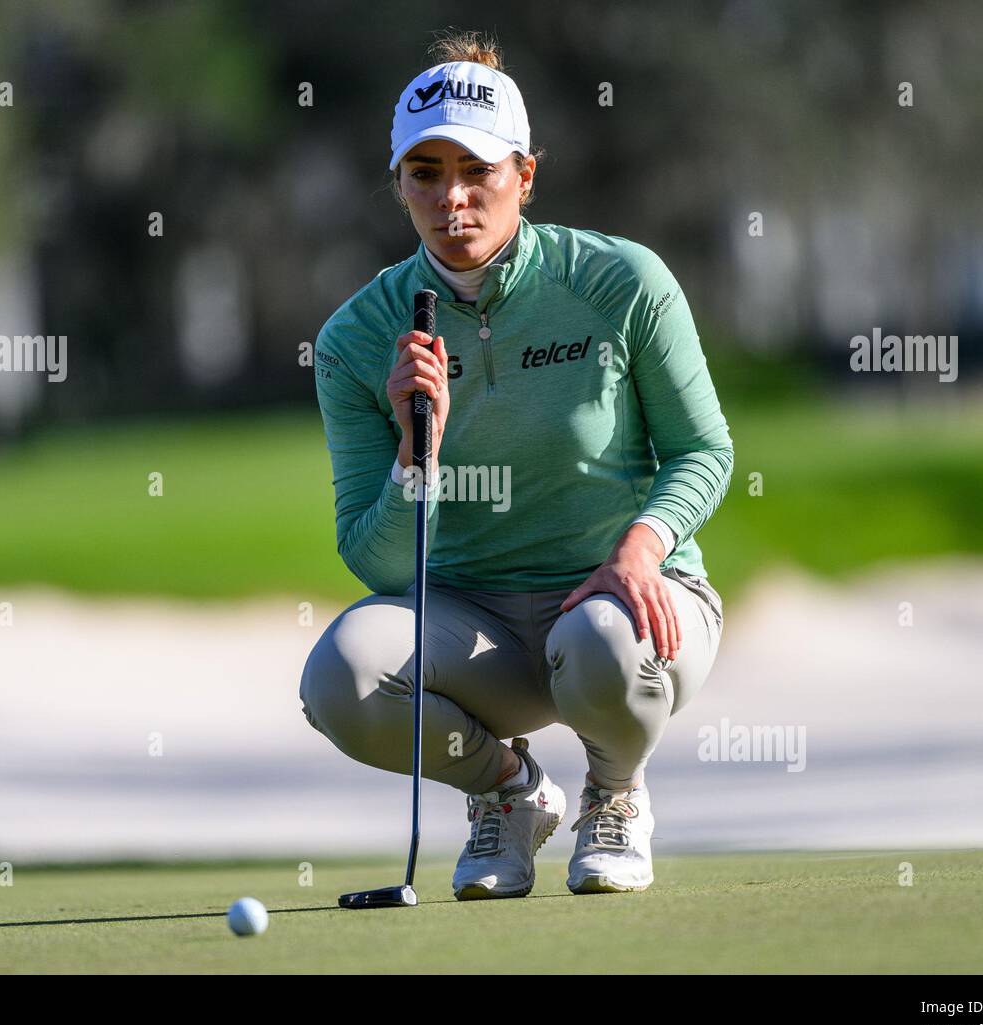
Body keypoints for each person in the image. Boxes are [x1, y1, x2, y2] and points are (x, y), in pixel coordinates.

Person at [300, 31, 732, 899]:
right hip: (477, 629)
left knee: (600, 640)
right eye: (424, 172)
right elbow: (380, 563)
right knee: (340, 676)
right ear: (398, 184)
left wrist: (642, 546)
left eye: (477, 170)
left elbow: (703, 450)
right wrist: (417, 451)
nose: (451, 197)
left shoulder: (622, 283)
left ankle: (614, 795)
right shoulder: (355, 338)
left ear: (525, 176)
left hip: (623, 605)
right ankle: (510, 793)